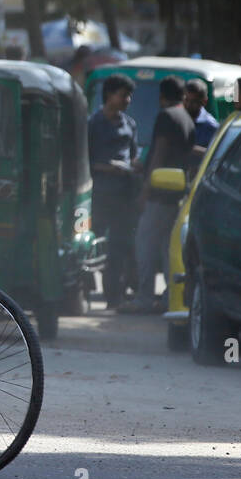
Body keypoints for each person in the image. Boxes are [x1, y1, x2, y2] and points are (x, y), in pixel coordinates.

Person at [123, 74, 195, 314]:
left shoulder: (166, 116)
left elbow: (161, 152)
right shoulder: (186, 117)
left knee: (144, 244)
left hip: (159, 194)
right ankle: (168, 297)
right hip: (175, 195)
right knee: (167, 249)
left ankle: (144, 298)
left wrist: (146, 189)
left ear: (162, 96)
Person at [88, 75, 140, 308]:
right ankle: (84, 290)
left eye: (129, 96)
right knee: (92, 245)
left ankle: (114, 296)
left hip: (123, 195)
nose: (127, 100)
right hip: (98, 195)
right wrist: (107, 168)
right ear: (109, 95)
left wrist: (131, 168)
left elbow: (134, 156)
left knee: (119, 246)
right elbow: (84, 161)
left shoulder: (130, 125)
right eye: (123, 95)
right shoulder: (92, 124)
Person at [183, 78, 218, 159]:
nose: (188, 105)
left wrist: (192, 150)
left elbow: (215, 156)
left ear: (204, 102)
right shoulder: (179, 120)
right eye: (186, 100)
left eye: (193, 102)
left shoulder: (211, 127)